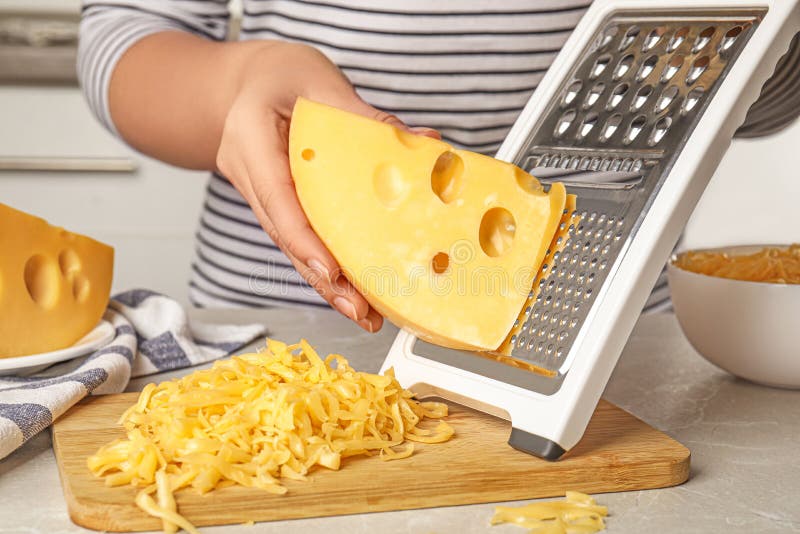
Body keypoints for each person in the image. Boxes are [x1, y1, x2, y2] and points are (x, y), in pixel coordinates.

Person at [78, 1, 800, 333]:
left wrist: (734, 36)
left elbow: (764, 105)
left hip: (607, 334)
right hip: (280, 318)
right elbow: (122, 38)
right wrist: (239, 83)